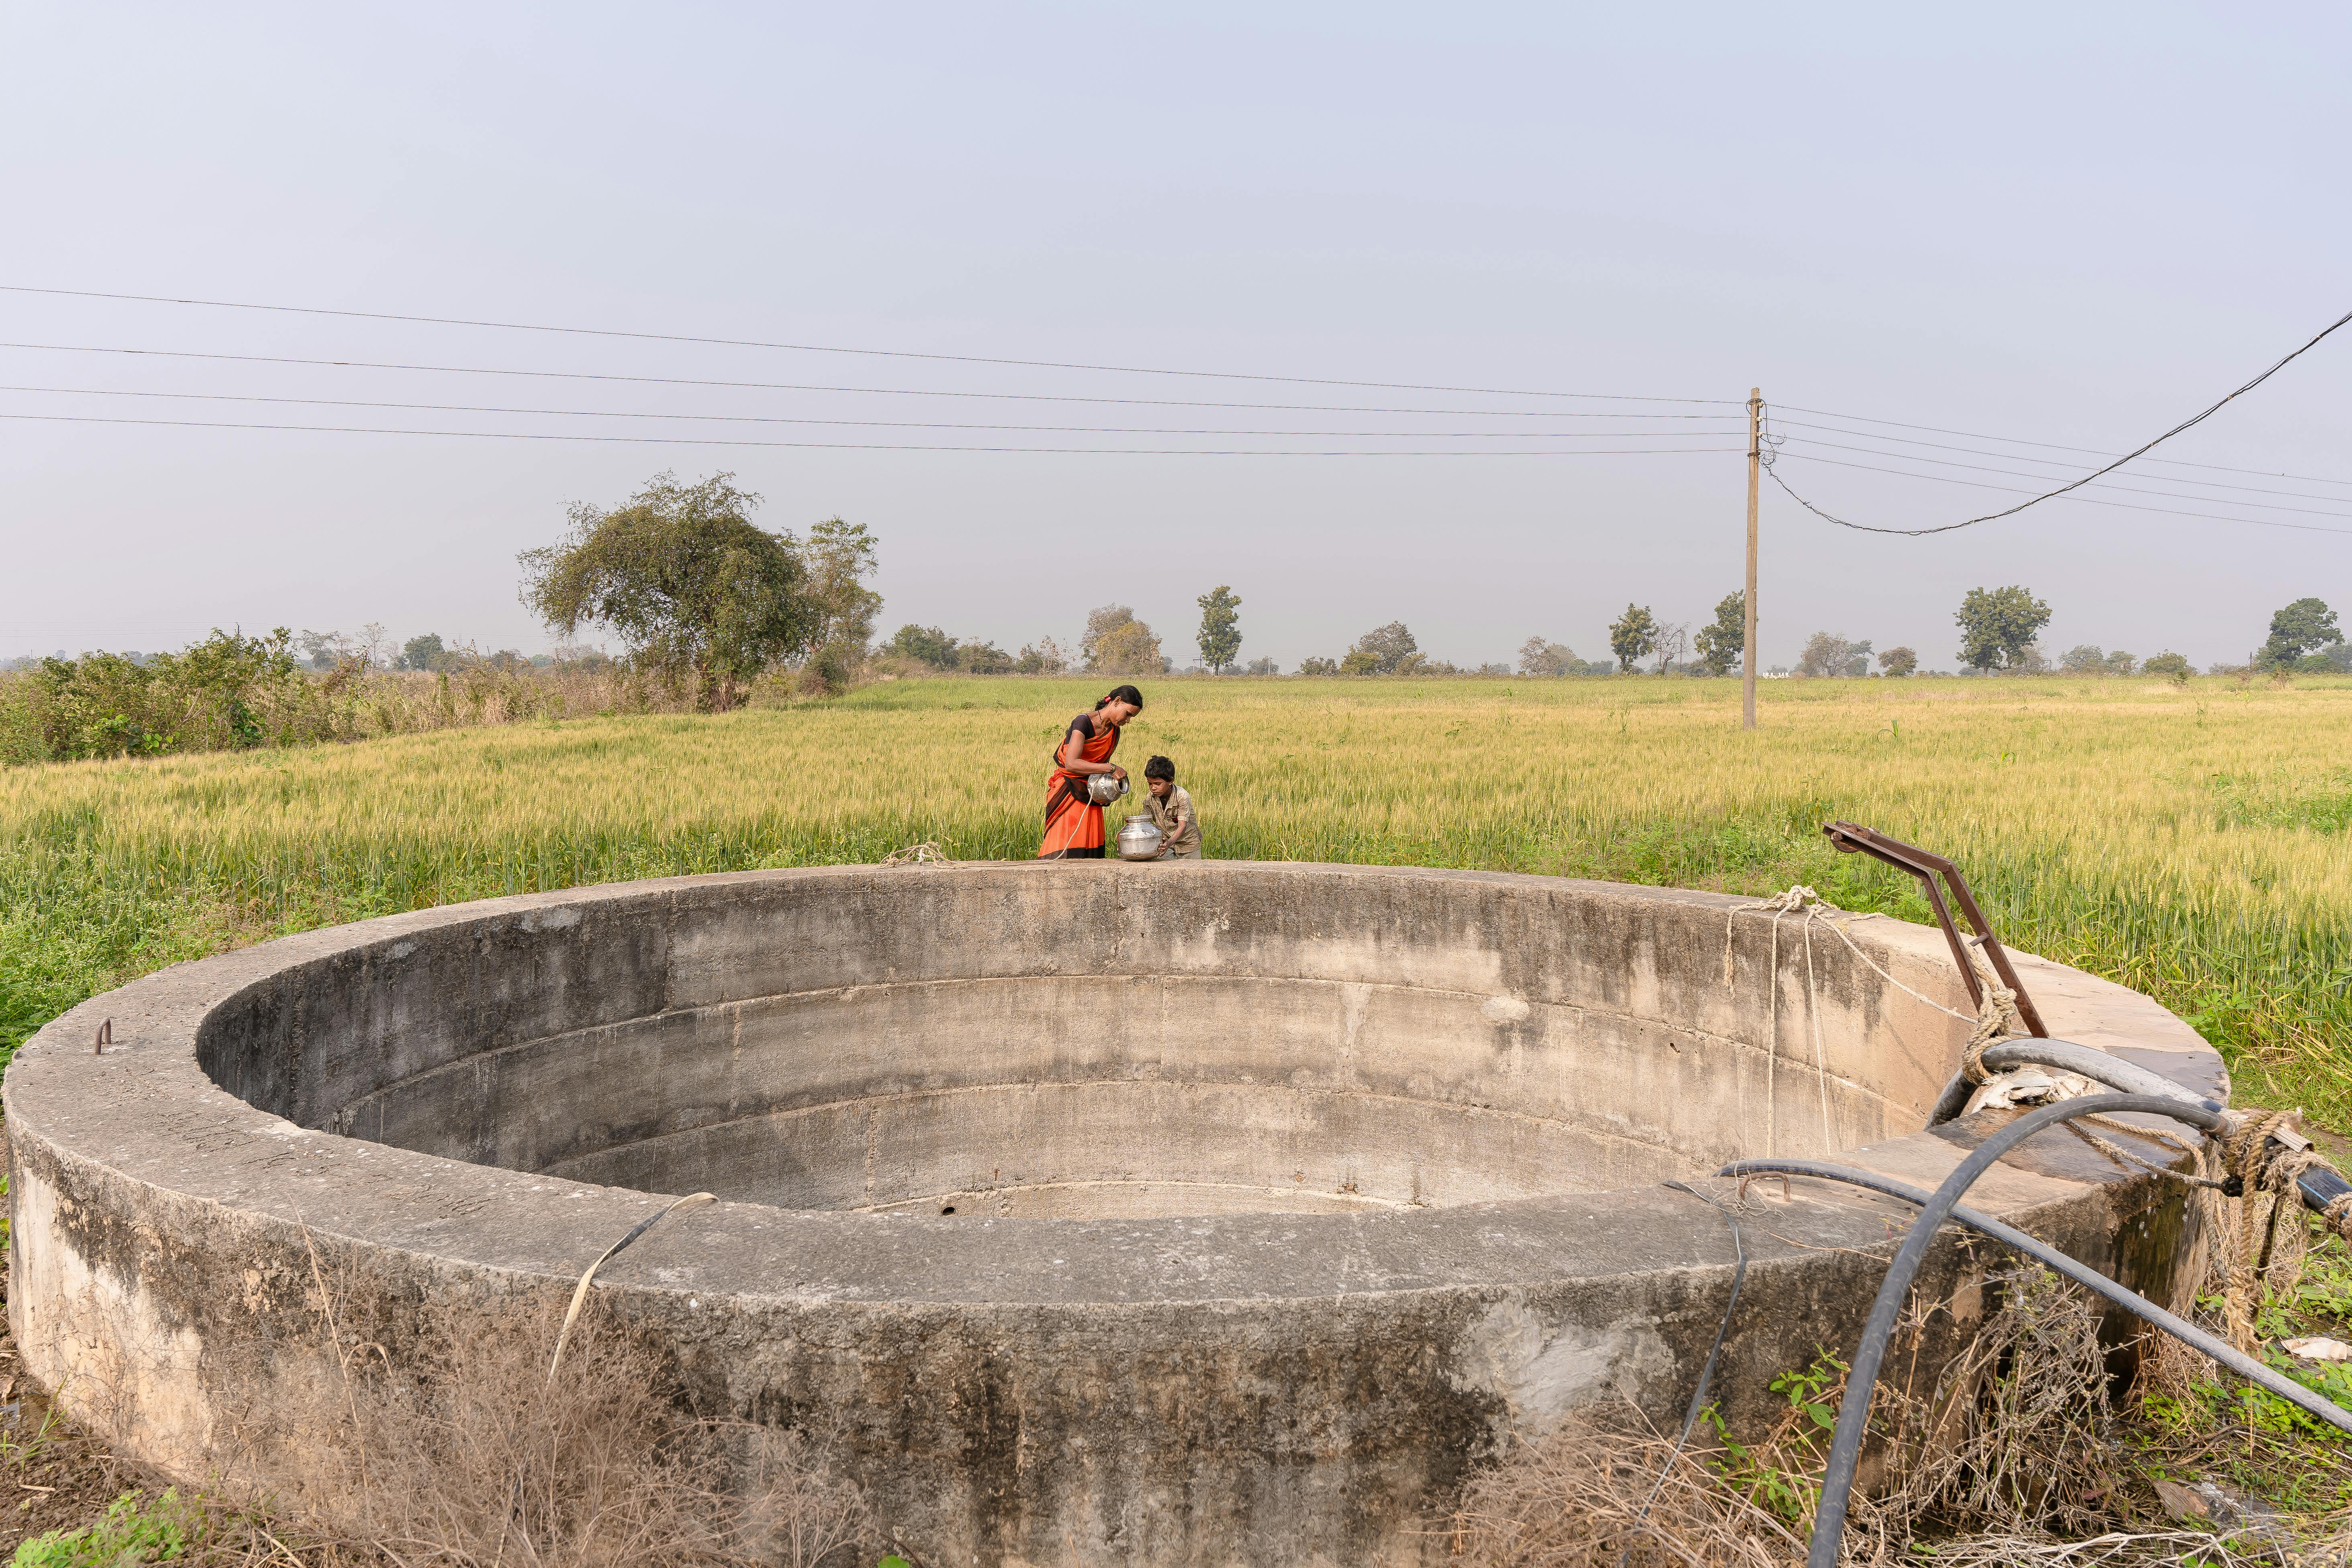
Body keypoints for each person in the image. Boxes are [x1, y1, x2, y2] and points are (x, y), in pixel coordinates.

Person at [1038, 685, 1143, 859]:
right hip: (1069, 792)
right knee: (1066, 843)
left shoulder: (1114, 732)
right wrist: (1111, 769)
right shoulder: (1083, 722)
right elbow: (1072, 764)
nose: (1128, 720)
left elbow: (1097, 765)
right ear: (1117, 702)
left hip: (1091, 795)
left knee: (1091, 845)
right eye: (1128, 714)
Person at [1140, 755, 1200, 860]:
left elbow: (1182, 826)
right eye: (1150, 784)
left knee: (1192, 874)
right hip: (1165, 843)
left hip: (1189, 843)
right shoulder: (1150, 797)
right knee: (1163, 873)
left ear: (1170, 781)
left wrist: (1169, 843)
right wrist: (1126, 833)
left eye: (1158, 784)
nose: (1153, 788)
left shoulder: (1182, 796)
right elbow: (1144, 820)